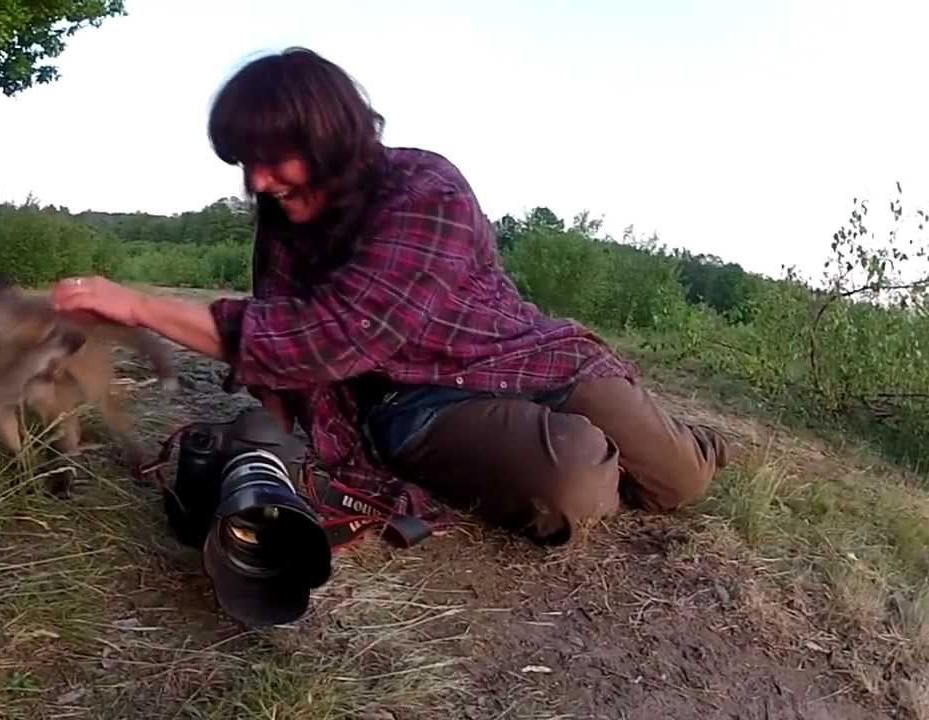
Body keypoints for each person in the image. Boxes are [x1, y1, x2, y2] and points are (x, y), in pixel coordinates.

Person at [51, 47, 730, 545]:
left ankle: (664, 438)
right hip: (416, 403)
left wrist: (138, 305)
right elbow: (281, 334)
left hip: (530, 357)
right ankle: (596, 445)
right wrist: (276, 446)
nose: (257, 181)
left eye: (271, 158)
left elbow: (331, 337)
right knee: (574, 482)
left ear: (330, 135)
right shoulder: (285, 225)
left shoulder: (425, 191)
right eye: (243, 163)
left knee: (682, 484)